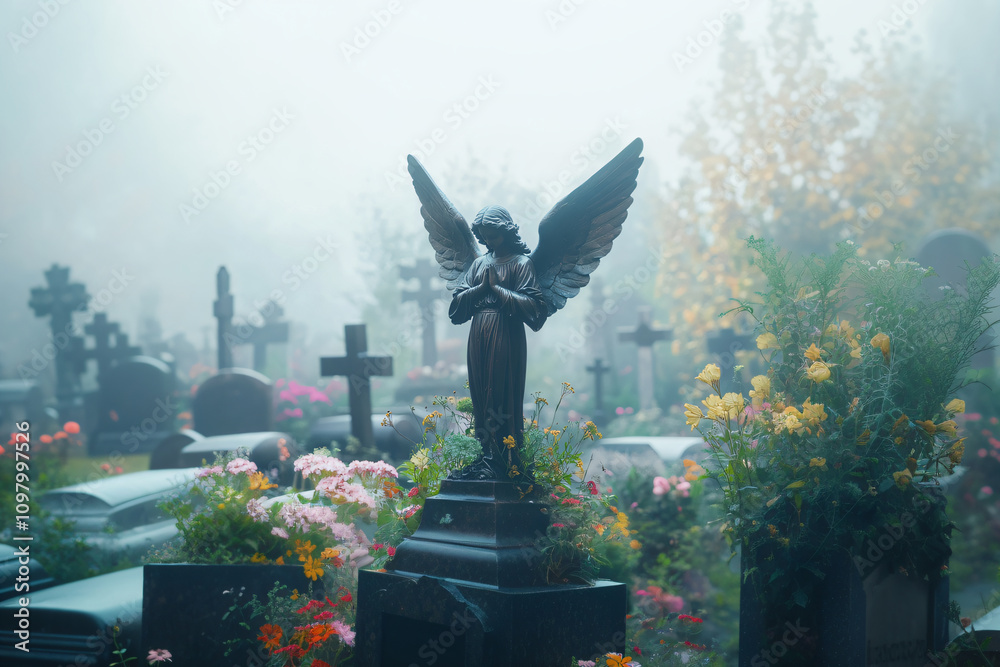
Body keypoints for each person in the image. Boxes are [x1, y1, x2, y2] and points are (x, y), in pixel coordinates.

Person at [448, 205, 547, 479]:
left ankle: (503, 458)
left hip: (506, 333)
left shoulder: (521, 264)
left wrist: (498, 290)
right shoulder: (479, 264)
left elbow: (536, 310)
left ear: (506, 231)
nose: (489, 242)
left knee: (499, 392)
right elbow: (455, 309)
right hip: (478, 332)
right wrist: (479, 289)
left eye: (494, 236)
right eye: (484, 236)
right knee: (480, 395)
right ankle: (483, 455)